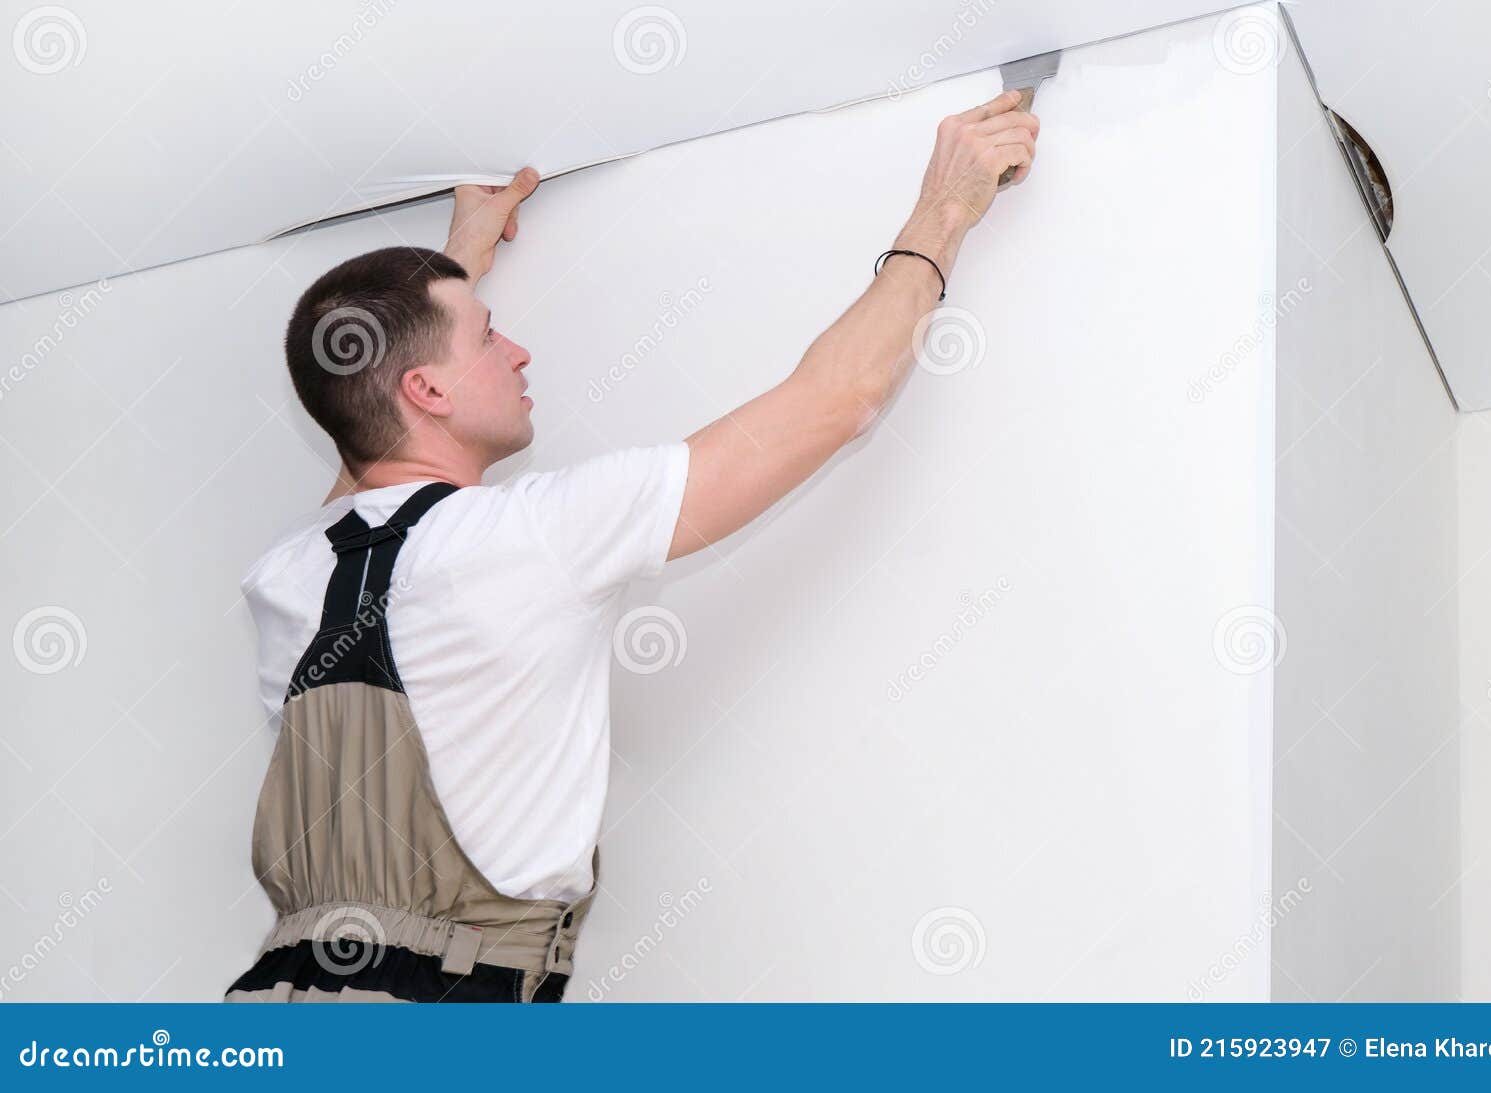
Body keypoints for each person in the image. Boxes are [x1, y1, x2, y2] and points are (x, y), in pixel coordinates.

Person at [224, 90, 1040, 1002]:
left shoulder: (290, 573)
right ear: (427, 389)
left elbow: (366, 443)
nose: (519, 352)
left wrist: (453, 269)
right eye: (489, 338)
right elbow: (835, 403)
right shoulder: (532, 536)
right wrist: (946, 207)